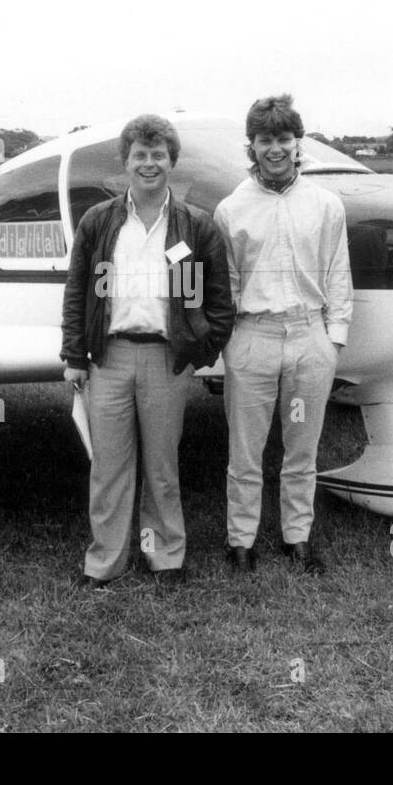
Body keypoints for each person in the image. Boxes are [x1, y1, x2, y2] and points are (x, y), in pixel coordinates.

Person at [61, 114, 234, 588]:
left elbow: (218, 303)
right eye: (140, 155)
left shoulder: (195, 227)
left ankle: (164, 556)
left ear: (172, 162)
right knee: (109, 467)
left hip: (165, 360)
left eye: (159, 155)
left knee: (162, 467)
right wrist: (75, 356)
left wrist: (196, 353)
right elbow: (78, 292)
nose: (150, 163)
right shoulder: (100, 221)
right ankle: (105, 562)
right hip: (110, 358)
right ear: (126, 162)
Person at [213, 94, 352, 575]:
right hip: (252, 337)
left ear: (298, 144)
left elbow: (338, 274)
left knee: (302, 448)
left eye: (284, 139)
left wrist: (333, 340)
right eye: (264, 139)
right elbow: (226, 283)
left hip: (310, 338)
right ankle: (241, 540)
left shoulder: (327, 205)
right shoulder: (231, 209)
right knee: (245, 451)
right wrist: (232, 342)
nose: (275, 148)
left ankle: (297, 537)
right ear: (251, 147)